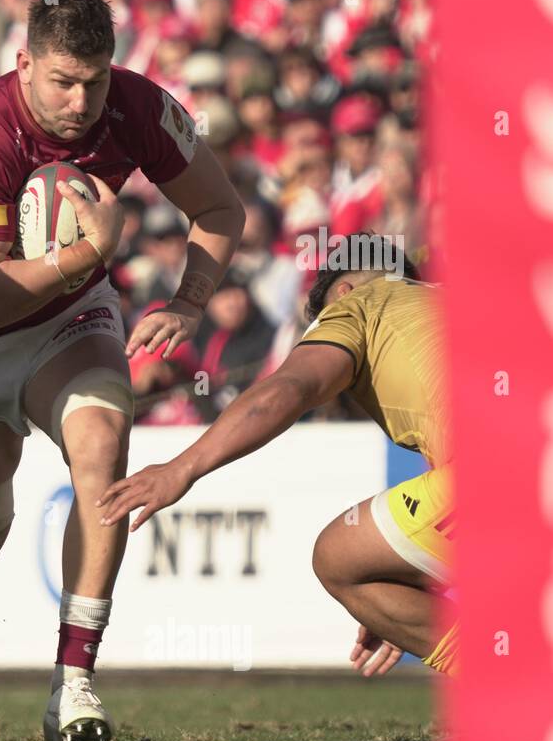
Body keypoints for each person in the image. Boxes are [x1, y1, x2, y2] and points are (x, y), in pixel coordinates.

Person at [0, 0, 244, 741]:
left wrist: (187, 301)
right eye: (62, 82)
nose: (81, 101)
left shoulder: (140, 109)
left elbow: (219, 210)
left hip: (70, 323)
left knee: (103, 445)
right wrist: (90, 252)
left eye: (95, 81)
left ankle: (73, 681)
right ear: (24, 65)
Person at [96, 235, 455, 679]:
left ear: (342, 291)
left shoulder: (359, 304)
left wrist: (180, 468)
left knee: (340, 560)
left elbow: (286, 391)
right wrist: (400, 587)